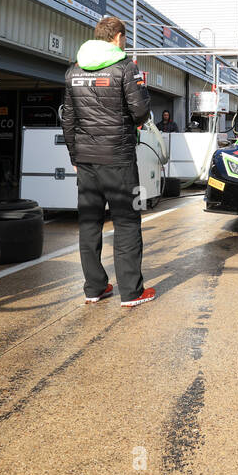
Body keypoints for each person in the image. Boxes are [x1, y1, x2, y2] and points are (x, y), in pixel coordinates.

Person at [61, 15, 155, 307]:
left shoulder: (73, 71)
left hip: (86, 161)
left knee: (89, 223)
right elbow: (140, 113)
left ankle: (94, 288)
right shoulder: (126, 67)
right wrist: (145, 93)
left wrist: (74, 155)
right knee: (127, 222)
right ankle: (132, 292)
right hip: (118, 158)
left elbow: (68, 118)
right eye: (124, 38)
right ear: (117, 37)